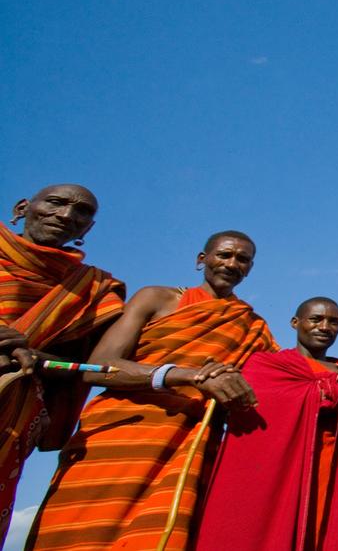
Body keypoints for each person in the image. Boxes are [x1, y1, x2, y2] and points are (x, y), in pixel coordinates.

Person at [26, 230, 277, 550]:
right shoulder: (157, 298)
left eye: (242, 260)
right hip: (119, 433)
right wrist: (189, 376)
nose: (231, 263)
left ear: (249, 269)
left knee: (158, 531)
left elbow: (265, 386)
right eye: (224, 255)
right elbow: (99, 366)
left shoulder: (254, 326)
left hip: (188, 442)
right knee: (78, 528)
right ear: (202, 260)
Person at [194, 297, 338, 551]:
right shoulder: (266, 365)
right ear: (295, 323)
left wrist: (335, 393)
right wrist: (322, 393)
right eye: (316, 319)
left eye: (333, 322)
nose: (324, 327)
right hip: (276, 470)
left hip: (331, 469)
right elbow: (248, 413)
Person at [0, 185, 125, 543]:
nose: (67, 216)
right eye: (55, 203)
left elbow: (90, 366)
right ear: (23, 207)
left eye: (82, 212)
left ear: (88, 229)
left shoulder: (94, 288)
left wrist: (36, 357)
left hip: (14, 413)